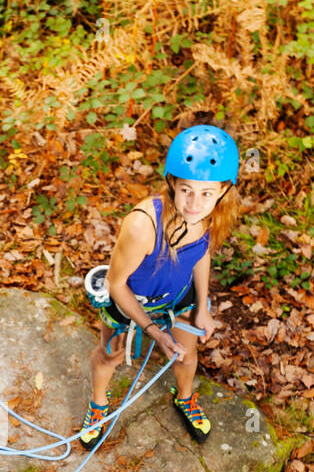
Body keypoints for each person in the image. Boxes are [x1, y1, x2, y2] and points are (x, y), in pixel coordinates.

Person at [79, 124, 242, 449]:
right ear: (171, 183)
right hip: (130, 299)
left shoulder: (210, 214)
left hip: (178, 297)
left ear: (223, 191)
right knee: (110, 356)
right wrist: (153, 330)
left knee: (186, 354)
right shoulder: (143, 225)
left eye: (207, 192)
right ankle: (98, 405)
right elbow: (115, 283)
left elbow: (201, 255)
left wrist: (201, 307)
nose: (195, 203)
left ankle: (184, 397)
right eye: (186, 190)